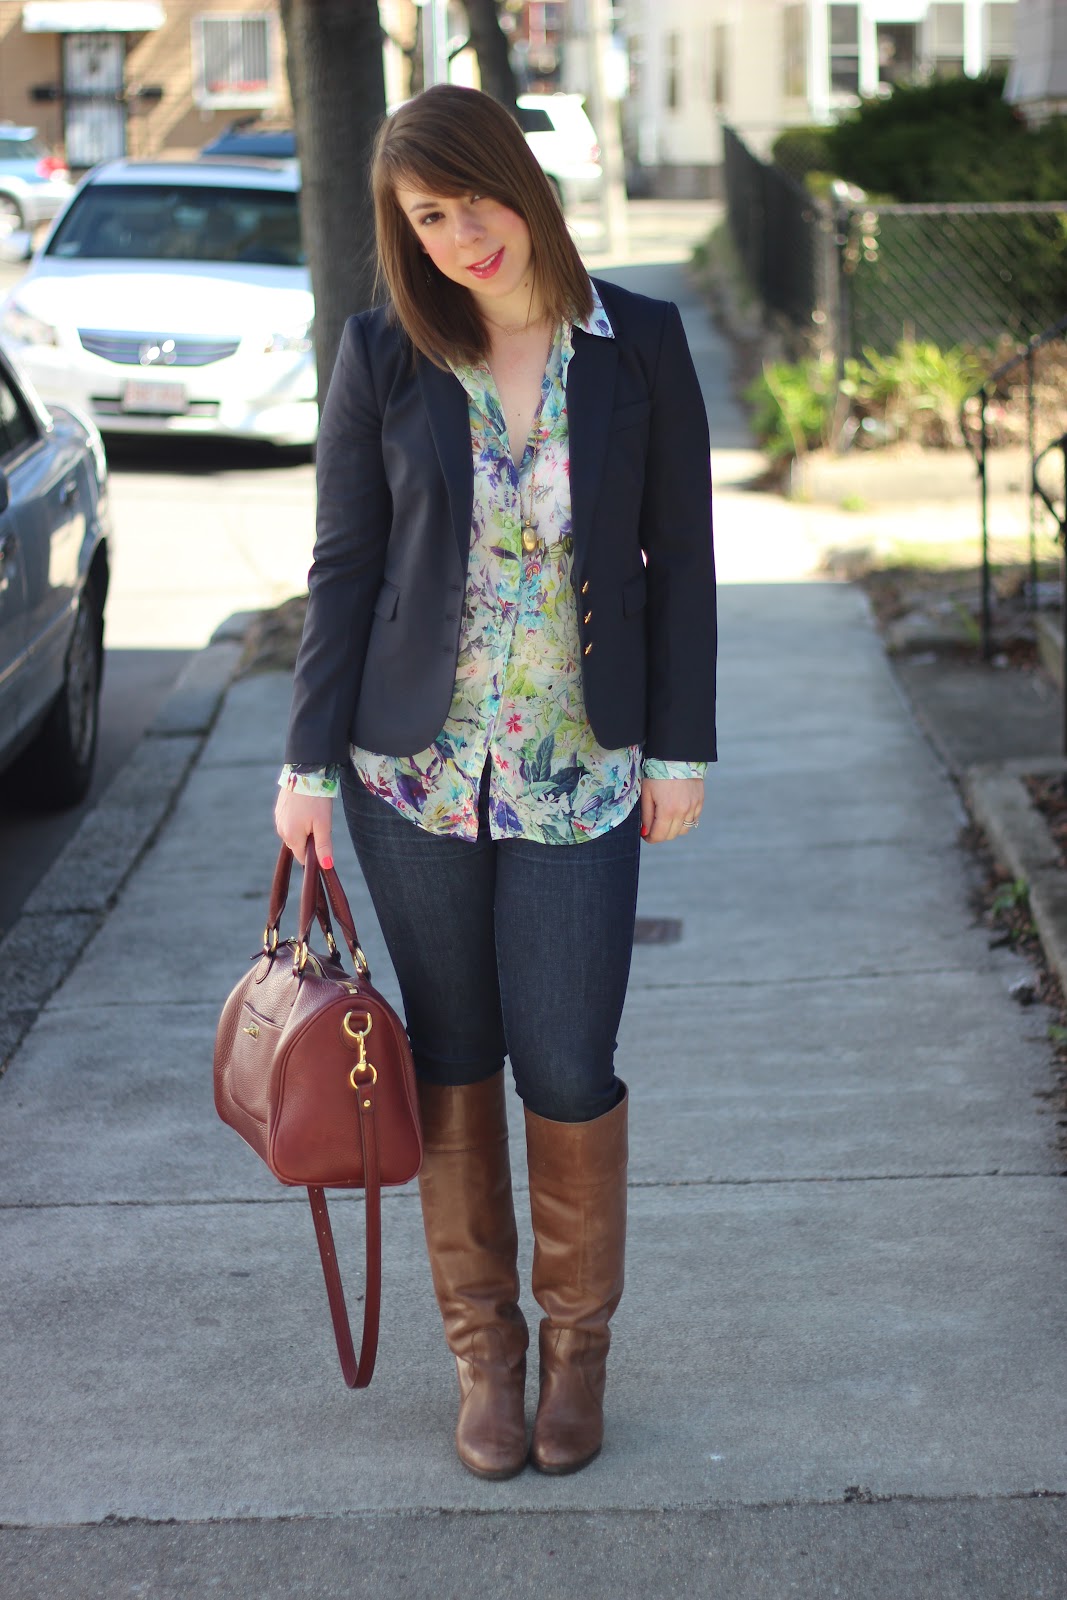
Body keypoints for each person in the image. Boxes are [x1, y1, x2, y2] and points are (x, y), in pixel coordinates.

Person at [275, 84, 717, 1479]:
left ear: (522, 182)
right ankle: (488, 1355)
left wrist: (683, 743)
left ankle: (578, 1349)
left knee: (570, 1063)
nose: (461, 233)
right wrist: (301, 767)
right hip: (409, 773)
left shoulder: (637, 342)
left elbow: (686, 560)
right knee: (452, 1054)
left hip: (582, 772)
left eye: (474, 198)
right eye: (427, 215)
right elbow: (344, 566)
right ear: (402, 231)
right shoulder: (383, 354)